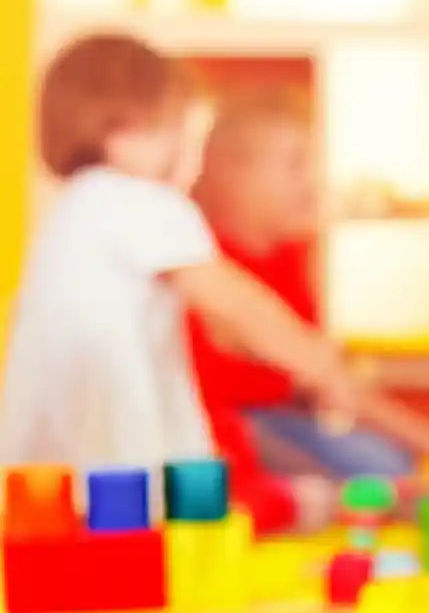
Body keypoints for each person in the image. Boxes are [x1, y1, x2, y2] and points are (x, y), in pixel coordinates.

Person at [0, 33, 352, 528]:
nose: (191, 169)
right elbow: (237, 303)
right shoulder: (138, 200)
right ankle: (306, 504)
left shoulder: (72, 211)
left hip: (47, 470)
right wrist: (319, 362)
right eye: (181, 143)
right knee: (184, 521)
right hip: (121, 463)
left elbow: (211, 328)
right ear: (122, 134)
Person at [189, 92, 429, 482]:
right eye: (295, 164)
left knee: (382, 461)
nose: (312, 181)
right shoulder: (204, 262)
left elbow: (318, 387)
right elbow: (322, 373)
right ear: (233, 171)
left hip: (280, 420)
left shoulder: (291, 256)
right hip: (222, 431)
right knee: (379, 470)